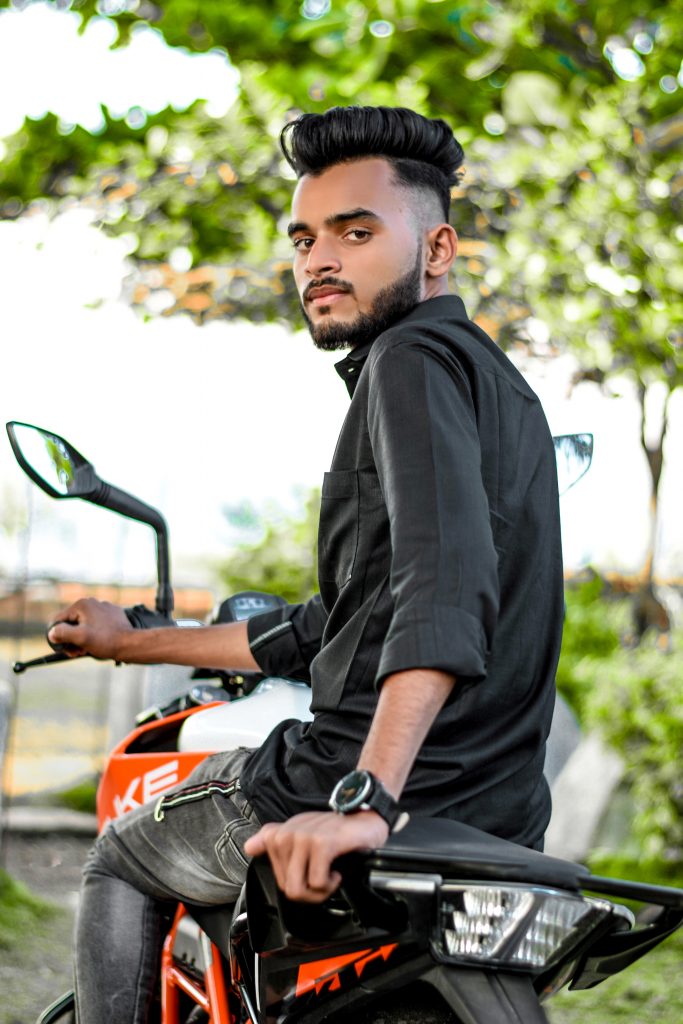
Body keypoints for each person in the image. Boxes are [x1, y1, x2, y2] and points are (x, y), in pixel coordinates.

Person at [48, 106, 564, 1022]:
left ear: (436, 248)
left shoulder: (404, 361)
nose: (319, 259)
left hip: (362, 779)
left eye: (356, 232)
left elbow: (441, 591)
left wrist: (365, 797)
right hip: (501, 806)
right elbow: (333, 625)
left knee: (123, 854)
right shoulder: (501, 387)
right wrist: (138, 643)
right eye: (304, 237)